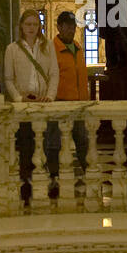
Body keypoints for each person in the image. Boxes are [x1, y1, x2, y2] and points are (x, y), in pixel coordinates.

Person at [4, 10, 59, 203]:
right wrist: (19, 98)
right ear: (21, 26)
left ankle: (52, 181)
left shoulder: (48, 46)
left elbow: (54, 73)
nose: (31, 28)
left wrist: (50, 96)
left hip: (44, 102)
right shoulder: (12, 49)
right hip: (25, 105)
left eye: (35, 24)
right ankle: (26, 184)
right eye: (28, 24)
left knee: (49, 144)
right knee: (26, 145)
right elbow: (9, 79)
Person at [49, 11, 89, 179]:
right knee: (54, 142)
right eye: (66, 26)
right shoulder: (51, 49)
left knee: (82, 140)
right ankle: (53, 175)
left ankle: (88, 171)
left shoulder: (78, 47)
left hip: (79, 104)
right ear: (58, 27)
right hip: (59, 102)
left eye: (73, 26)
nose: (70, 29)